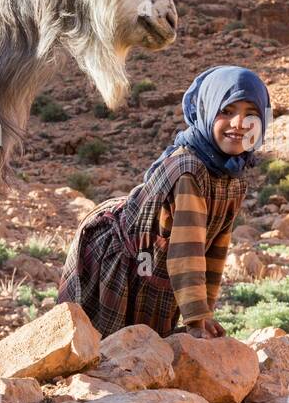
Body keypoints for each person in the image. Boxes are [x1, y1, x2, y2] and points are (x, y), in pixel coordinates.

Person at [57, 65, 269, 339]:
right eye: (226, 111)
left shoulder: (234, 175)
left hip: (158, 266)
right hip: (120, 257)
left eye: (250, 114)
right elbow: (186, 252)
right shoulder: (189, 171)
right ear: (206, 110)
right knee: (98, 348)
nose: (239, 123)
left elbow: (215, 247)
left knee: (146, 353)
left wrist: (205, 311)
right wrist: (196, 318)